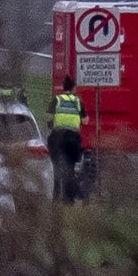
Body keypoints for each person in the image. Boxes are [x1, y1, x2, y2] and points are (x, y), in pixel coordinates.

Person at [46, 76, 87, 204]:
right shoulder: (78, 101)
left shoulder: (56, 100)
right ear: (73, 88)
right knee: (70, 168)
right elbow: (85, 121)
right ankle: (68, 200)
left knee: (57, 167)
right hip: (73, 139)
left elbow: (48, 118)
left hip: (58, 136)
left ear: (63, 87)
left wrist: (53, 126)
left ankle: (56, 197)